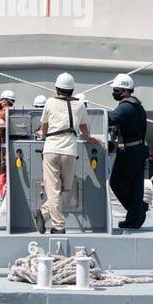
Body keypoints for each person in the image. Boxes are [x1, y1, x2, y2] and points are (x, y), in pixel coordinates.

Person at [38, 72, 95, 235]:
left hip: (51, 149)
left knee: (53, 189)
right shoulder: (81, 105)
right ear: (72, 90)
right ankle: (45, 215)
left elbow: (44, 128)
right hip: (69, 151)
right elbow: (85, 131)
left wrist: (42, 135)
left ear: (57, 88)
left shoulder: (49, 102)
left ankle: (56, 224)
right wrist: (90, 139)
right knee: (65, 188)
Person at [107, 73, 149, 229]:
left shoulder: (125, 107)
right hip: (140, 150)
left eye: (116, 90)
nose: (114, 93)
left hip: (129, 152)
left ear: (125, 91)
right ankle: (135, 217)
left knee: (116, 183)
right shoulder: (138, 106)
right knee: (135, 186)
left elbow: (110, 118)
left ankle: (137, 210)